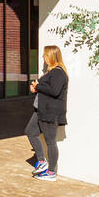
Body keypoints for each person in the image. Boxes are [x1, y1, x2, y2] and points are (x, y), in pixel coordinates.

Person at [27, 45, 69, 180]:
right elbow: (48, 88)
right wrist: (36, 88)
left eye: (45, 55)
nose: (43, 57)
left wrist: (38, 86)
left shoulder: (58, 72)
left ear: (51, 56)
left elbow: (54, 91)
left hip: (50, 112)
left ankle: (51, 173)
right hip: (41, 110)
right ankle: (41, 161)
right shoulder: (51, 72)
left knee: (50, 141)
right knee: (30, 131)